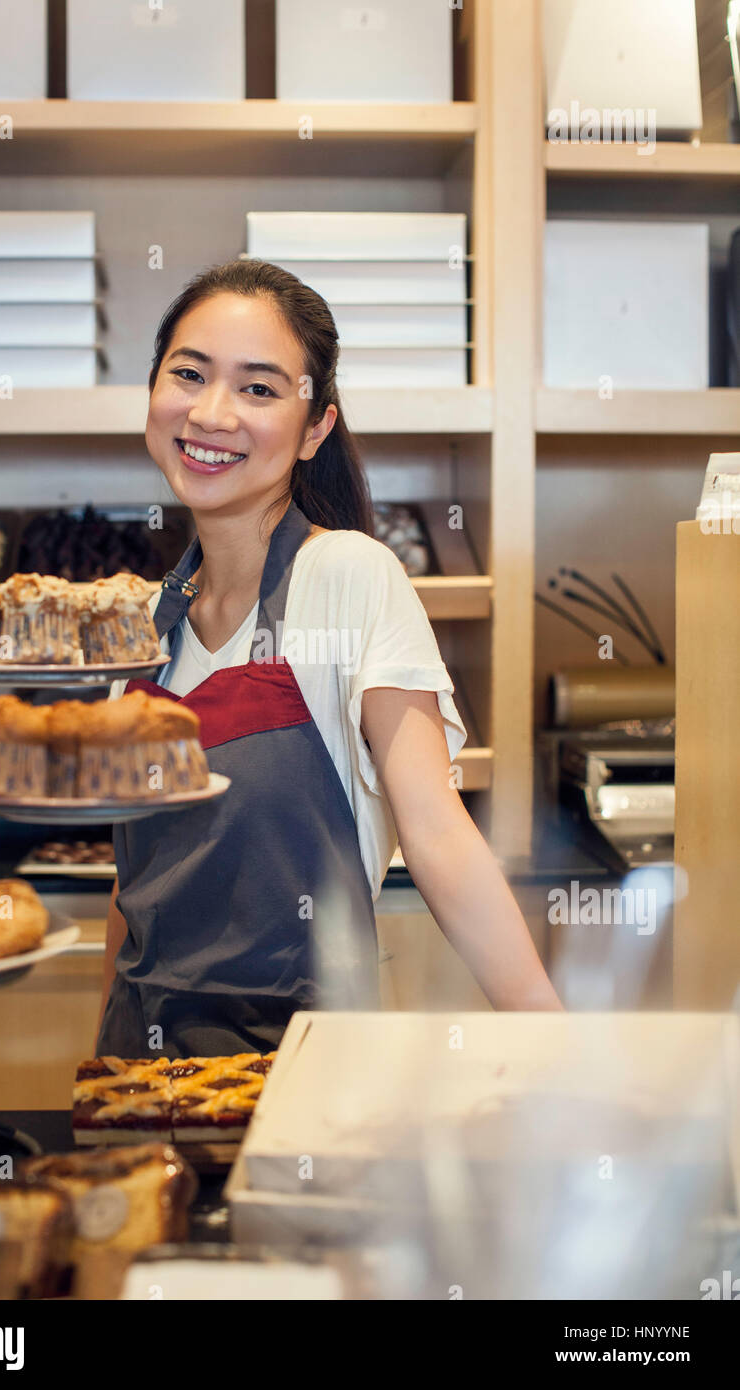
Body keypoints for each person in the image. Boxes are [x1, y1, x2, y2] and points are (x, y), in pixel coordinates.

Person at [96, 259, 562, 1060]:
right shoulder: (142, 625)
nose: (211, 413)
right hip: (138, 1067)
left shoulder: (349, 576)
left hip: (302, 1066)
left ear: (314, 429)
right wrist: (99, 1068)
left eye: (259, 389)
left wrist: (555, 1043)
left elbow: (436, 831)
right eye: (189, 374)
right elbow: (129, 889)